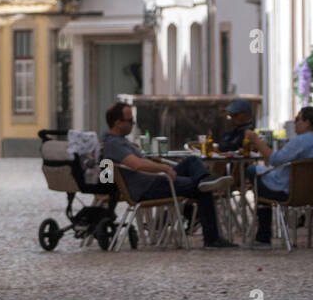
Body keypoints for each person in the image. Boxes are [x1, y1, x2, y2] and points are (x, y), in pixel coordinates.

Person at [101, 102, 236, 248]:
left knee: (192, 161)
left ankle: (206, 179)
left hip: (155, 180)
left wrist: (161, 168)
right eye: (130, 121)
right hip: (147, 188)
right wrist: (164, 168)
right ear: (117, 123)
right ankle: (212, 238)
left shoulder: (121, 141)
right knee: (201, 188)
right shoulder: (113, 144)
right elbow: (136, 164)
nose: (133, 124)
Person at [243, 107, 313, 246]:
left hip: (289, 192)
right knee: (261, 180)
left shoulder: (301, 141)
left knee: (252, 172)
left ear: (307, 123)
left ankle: (263, 236)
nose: (295, 122)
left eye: (298, 119)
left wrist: (256, 140)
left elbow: (274, 159)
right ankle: (263, 235)